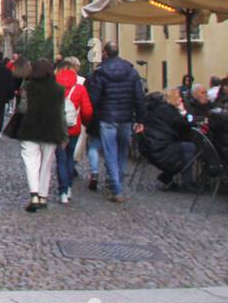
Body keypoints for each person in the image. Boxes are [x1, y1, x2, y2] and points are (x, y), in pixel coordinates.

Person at [84, 42, 145, 203]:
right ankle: (117, 182)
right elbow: (139, 97)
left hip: (107, 117)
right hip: (126, 117)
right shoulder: (131, 71)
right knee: (122, 151)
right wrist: (140, 119)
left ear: (105, 53)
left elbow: (94, 98)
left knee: (110, 151)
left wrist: (93, 116)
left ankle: (116, 188)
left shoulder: (101, 72)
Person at [16, 58, 67, 212]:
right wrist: (64, 135)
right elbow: (61, 114)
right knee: (46, 164)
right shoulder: (59, 89)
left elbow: (23, 108)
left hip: (30, 128)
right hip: (51, 129)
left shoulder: (28, 86)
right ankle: (43, 196)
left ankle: (34, 195)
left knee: (31, 162)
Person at [137, 88, 198, 191]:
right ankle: (186, 182)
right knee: (190, 147)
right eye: (179, 98)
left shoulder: (157, 108)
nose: (181, 100)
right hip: (161, 149)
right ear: (174, 99)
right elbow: (187, 125)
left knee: (185, 147)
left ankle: (168, 175)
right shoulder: (170, 111)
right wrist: (184, 112)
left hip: (148, 146)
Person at [53, 58, 93, 203]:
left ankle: (63, 192)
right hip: (74, 128)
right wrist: (84, 121)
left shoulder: (54, 86)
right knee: (70, 158)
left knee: (61, 160)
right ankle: (69, 187)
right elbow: (88, 111)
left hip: (58, 129)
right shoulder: (80, 89)